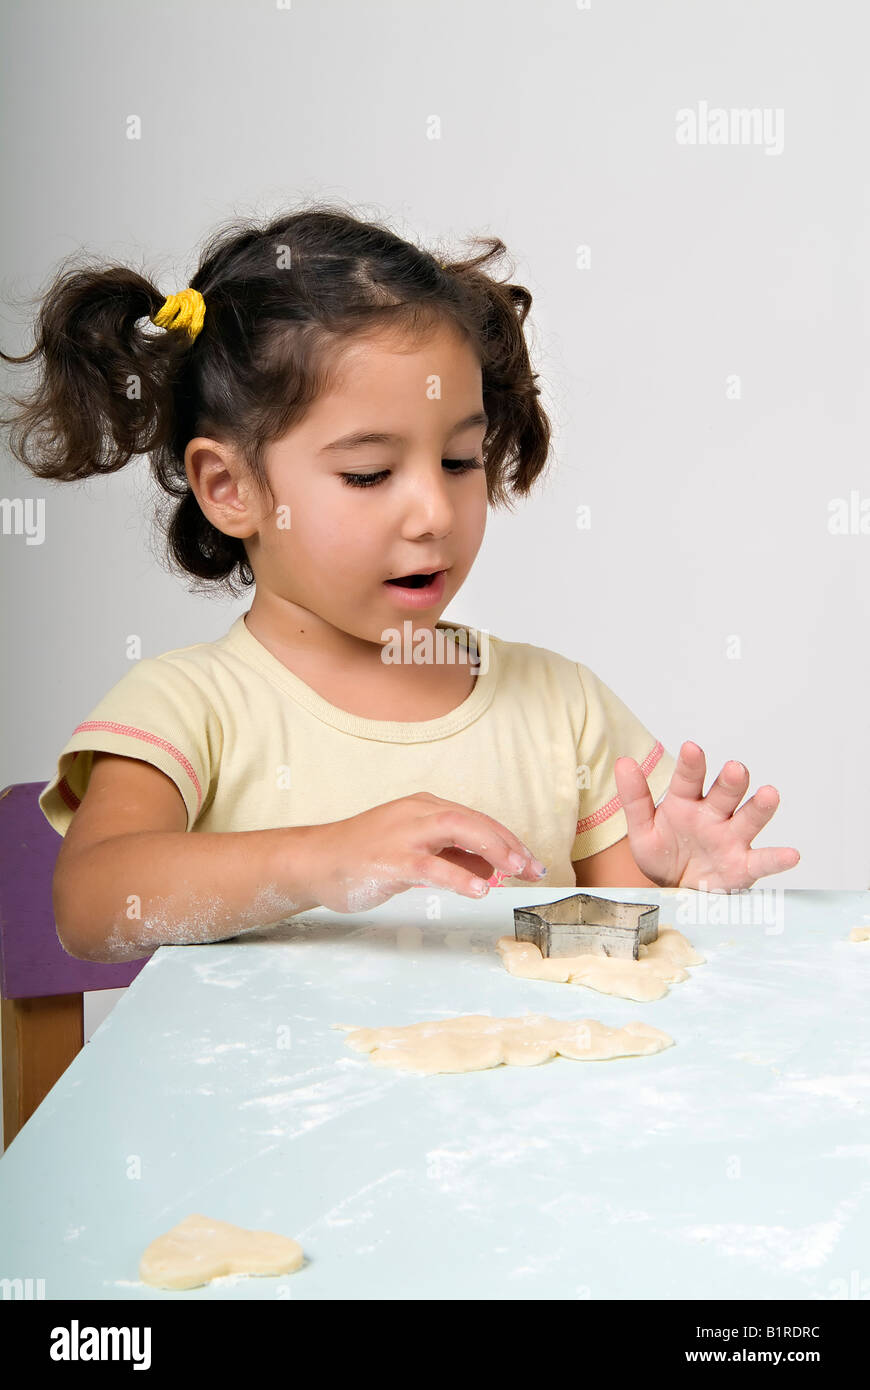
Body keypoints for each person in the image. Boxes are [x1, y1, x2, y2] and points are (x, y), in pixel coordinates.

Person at [1, 203, 799, 963]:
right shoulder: (187, 707)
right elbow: (93, 907)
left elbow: (619, 953)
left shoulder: (564, 710)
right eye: (370, 472)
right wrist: (323, 859)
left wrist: (678, 891)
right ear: (229, 487)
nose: (433, 512)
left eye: (459, 461)